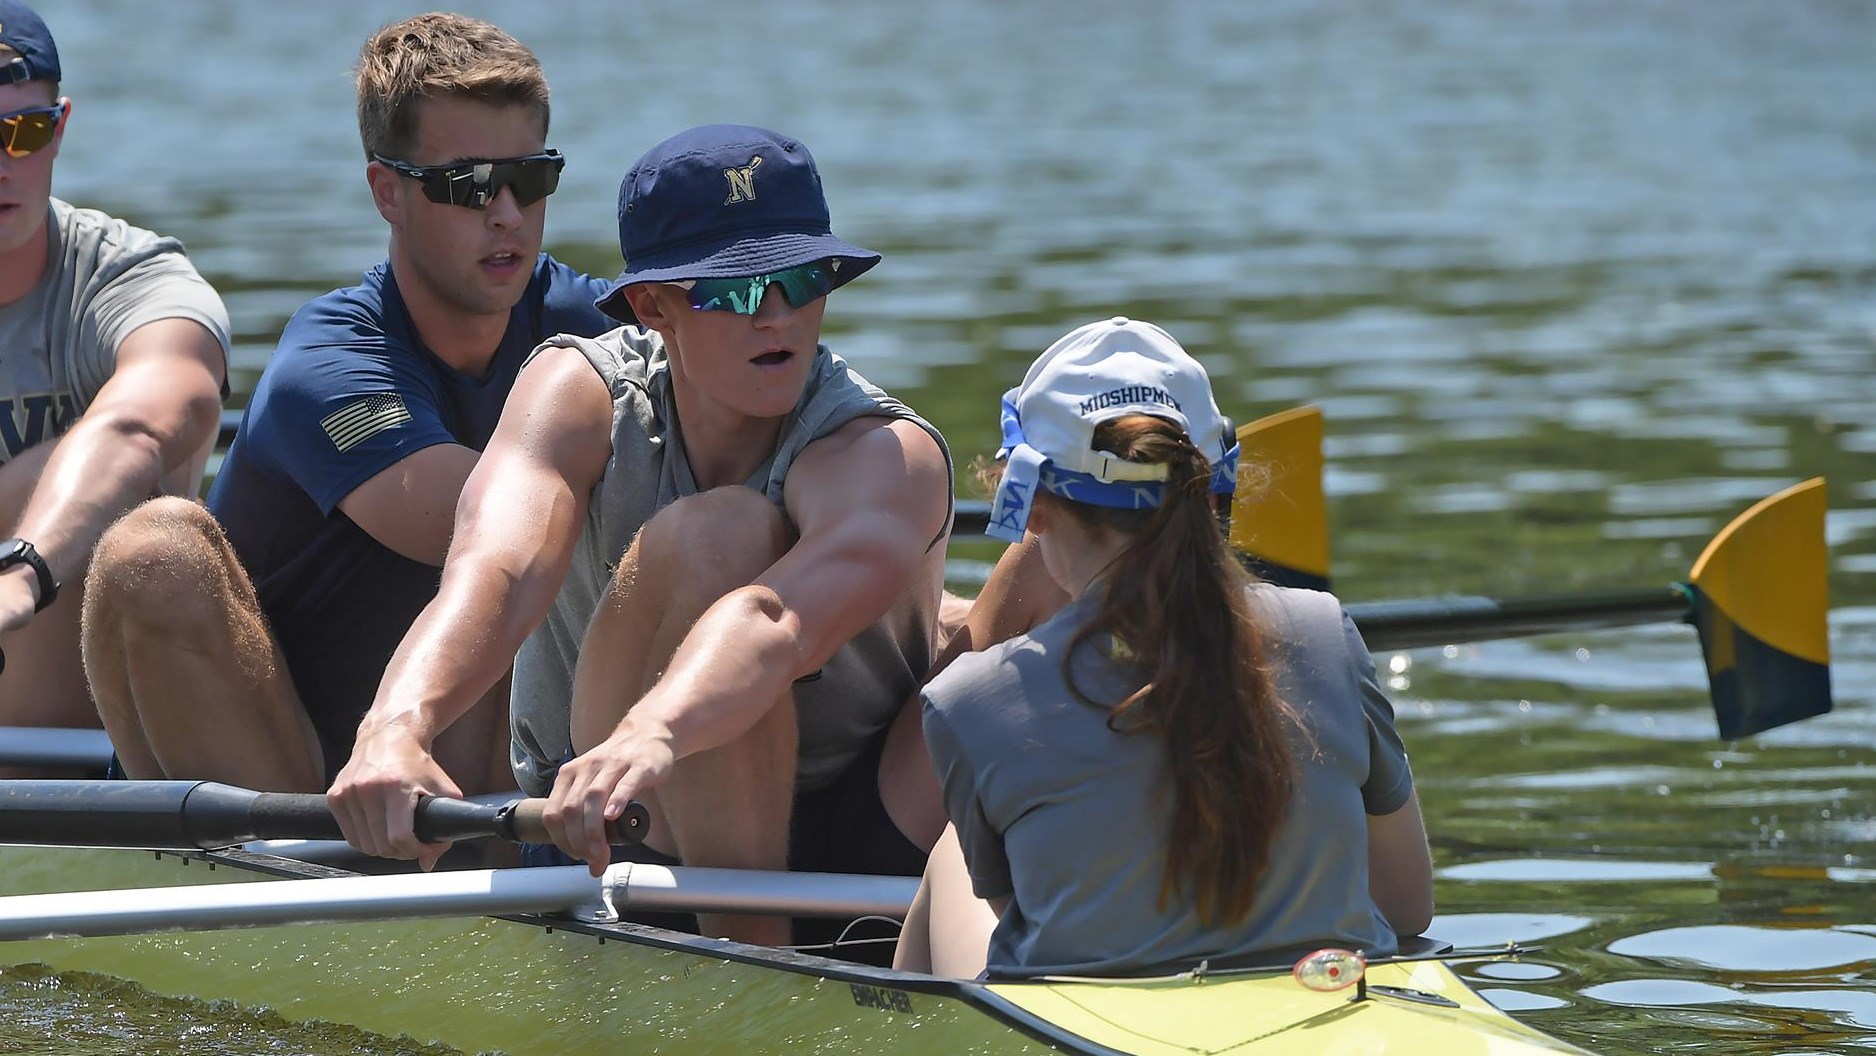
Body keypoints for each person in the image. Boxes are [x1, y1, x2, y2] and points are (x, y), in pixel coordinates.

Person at [329, 124, 954, 948]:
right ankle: (754, 972)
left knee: (733, 538)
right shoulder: (575, 392)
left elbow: (775, 622)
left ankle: (755, 977)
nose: (777, 315)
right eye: (733, 290)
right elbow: (497, 571)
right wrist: (393, 728)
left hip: (851, 821)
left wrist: (657, 730)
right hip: (611, 821)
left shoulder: (880, 452)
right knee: (716, 534)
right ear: (652, 305)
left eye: (802, 278)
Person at [81, 13, 614, 795]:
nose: (506, 214)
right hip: (288, 774)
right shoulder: (329, 363)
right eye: (467, 185)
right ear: (387, 193)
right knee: (152, 548)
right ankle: (279, 876)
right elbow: (482, 530)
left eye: (529, 180)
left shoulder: (589, 319)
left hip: (455, 775)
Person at [893, 317, 1433, 979]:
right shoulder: (1326, 632)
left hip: (1083, 1017)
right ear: (1215, 497)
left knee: (952, 848)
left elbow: (1024, 920)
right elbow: (1408, 909)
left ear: (1028, 505)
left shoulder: (966, 702)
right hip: (1324, 991)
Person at [0, 0, 230, 775]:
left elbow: (163, 412)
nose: (2, 160)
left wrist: (20, 570)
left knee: (143, 513)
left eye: (23, 132)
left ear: (58, 129)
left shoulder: (129, 277)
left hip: (105, 753)